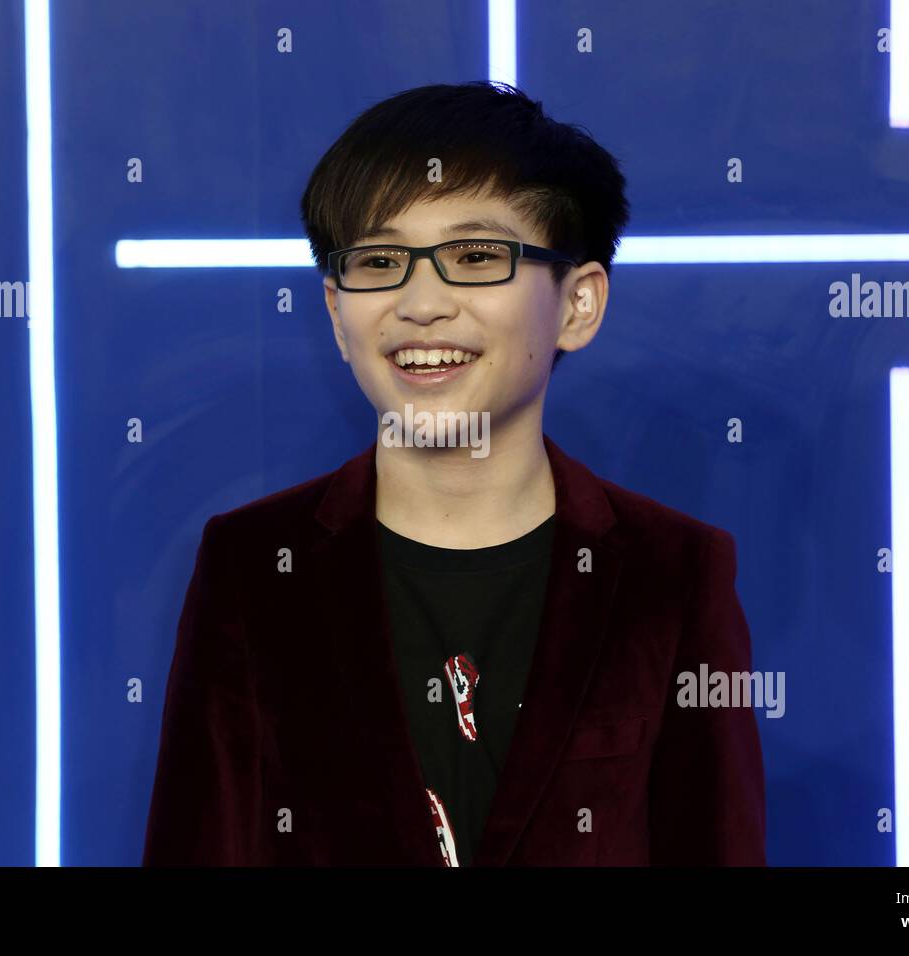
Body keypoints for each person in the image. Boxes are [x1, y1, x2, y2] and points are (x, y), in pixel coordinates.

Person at [142, 80, 765, 866]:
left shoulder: (673, 573)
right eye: (379, 260)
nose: (420, 302)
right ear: (336, 313)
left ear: (579, 303)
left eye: (475, 256)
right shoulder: (254, 567)